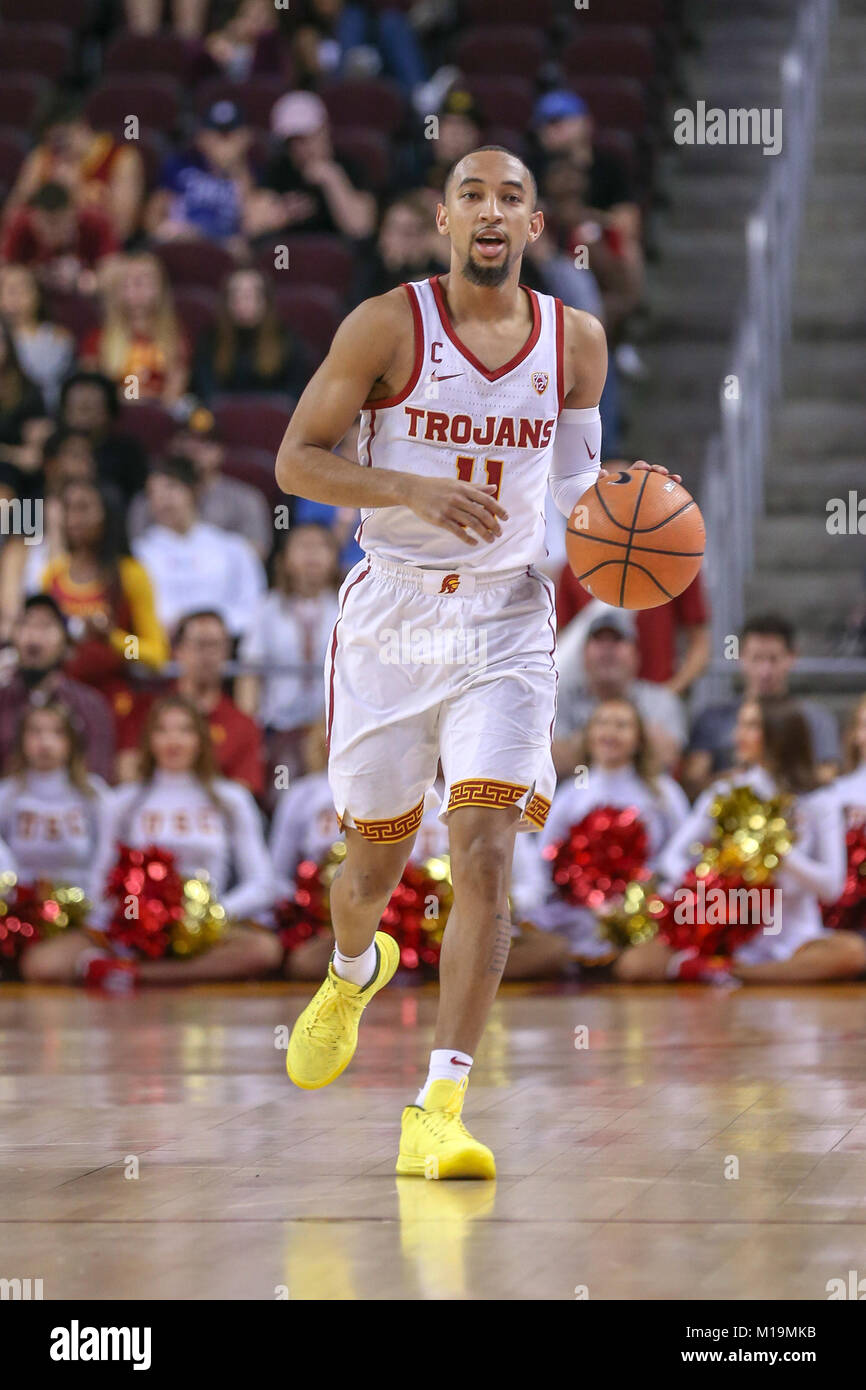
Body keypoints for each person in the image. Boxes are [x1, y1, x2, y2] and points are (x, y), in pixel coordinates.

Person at [274, 143, 676, 1178]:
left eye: (510, 197)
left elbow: (576, 489)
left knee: (487, 852)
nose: (490, 211)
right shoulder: (384, 324)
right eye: (471, 195)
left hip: (505, 615)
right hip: (393, 616)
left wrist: (625, 513)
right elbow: (294, 461)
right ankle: (352, 969)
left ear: (534, 226)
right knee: (370, 868)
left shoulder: (575, 341)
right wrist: (407, 489)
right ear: (443, 219)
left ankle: (440, 1105)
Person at [30, 694, 282, 986]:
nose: (173, 740)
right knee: (42, 964)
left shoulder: (230, 798)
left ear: (200, 739)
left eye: (184, 730)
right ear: (149, 739)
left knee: (265, 950)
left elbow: (262, 883)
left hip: (205, 931)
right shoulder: (123, 801)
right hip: (135, 928)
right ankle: (133, 964)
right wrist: (125, 921)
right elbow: (102, 874)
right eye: (162, 730)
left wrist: (211, 915)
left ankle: (136, 974)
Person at [616, 697, 865, 985]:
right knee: (633, 963)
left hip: (793, 937)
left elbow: (831, 887)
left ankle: (730, 973)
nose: (738, 735)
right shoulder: (726, 793)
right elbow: (672, 858)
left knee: (853, 953)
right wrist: (706, 883)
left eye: (751, 726)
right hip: (725, 928)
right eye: (740, 725)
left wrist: (777, 853)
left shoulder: (819, 800)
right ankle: (740, 971)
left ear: (779, 732)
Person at [530, 697, 689, 964]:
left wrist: (647, 896)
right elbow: (544, 856)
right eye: (602, 723)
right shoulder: (572, 792)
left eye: (622, 725)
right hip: (580, 914)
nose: (610, 732)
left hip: (646, 911)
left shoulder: (662, 791)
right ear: (589, 734)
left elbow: (682, 851)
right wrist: (588, 899)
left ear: (638, 739)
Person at [40, 480, 168, 734]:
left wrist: (112, 639)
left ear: (108, 515)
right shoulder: (52, 576)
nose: (73, 519)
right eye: (68, 509)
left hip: (112, 704)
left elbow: (156, 655)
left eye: (83, 508)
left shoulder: (131, 575)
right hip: (59, 705)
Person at [0, 704, 109, 984]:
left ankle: (95, 963)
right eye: (35, 732)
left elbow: (106, 858)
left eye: (57, 733)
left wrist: (97, 916)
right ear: (22, 740)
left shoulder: (93, 794)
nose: (45, 742)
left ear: (72, 742)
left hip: (80, 918)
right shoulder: (7, 794)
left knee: (43, 967)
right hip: (18, 916)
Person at [684, 613, 841, 797]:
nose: (765, 671)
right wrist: (740, 782)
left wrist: (771, 781)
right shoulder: (713, 718)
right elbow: (693, 781)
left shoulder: (816, 718)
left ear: (792, 657)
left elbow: (828, 774)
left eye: (773, 659)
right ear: (740, 657)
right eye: (756, 658)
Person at [116, 610, 264, 799]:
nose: (208, 655)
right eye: (199, 644)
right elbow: (127, 773)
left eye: (215, 645)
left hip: (213, 814)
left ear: (227, 652)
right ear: (178, 651)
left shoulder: (242, 724)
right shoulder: (147, 710)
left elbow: (242, 793)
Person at [237, 525, 340, 788]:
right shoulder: (266, 608)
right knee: (282, 792)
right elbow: (250, 673)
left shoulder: (347, 607)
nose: (312, 554)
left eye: (321, 546)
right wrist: (250, 732)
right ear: (284, 559)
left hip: (335, 728)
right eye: (303, 546)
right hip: (279, 728)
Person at [132, 456, 266, 638]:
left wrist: (212, 628)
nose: (163, 499)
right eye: (153, 492)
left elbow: (253, 604)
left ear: (194, 490)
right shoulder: (139, 554)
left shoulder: (233, 548)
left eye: (171, 487)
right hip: (163, 645)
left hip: (223, 644)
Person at [553, 607, 688, 777]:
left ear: (636, 654)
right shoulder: (559, 698)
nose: (607, 648)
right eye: (599, 640)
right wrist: (631, 737)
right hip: (576, 791)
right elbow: (553, 758)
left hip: (643, 792)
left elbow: (666, 755)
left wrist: (589, 741)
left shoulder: (660, 699)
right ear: (583, 655)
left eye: (617, 640)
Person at [557, 550, 711, 693]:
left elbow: (700, 646)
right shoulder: (575, 565)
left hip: (654, 695)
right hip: (589, 705)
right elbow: (561, 645)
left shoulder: (677, 562)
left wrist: (667, 695)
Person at [126, 410, 272, 560]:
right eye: (187, 440)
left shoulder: (245, 499)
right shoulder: (148, 500)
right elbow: (136, 555)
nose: (195, 449)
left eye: (205, 442)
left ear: (221, 451)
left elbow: (257, 553)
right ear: (173, 446)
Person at [0, 594, 115, 781]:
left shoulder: (90, 706)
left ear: (66, 643)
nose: (34, 636)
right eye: (25, 624)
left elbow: (97, 778)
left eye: (45, 626)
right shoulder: (3, 699)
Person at [4, 106, 144, 245]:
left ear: (81, 127)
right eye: (51, 142)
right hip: (43, 248)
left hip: (99, 249)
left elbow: (123, 228)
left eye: (61, 139)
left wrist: (74, 191)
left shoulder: (121, 157)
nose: (58, 150)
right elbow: (11, 218)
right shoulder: (43, 157)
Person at [257, 91, 376, 242]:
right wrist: (281, 214)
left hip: (338, 251)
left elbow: (361, 228)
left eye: (307, 138)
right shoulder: (279, 170)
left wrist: (332, 179)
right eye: (293, 141)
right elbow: (253, 223)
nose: (301, 148)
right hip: (286, 253)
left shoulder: (352, 167)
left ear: (324, 129)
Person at [147, 101, 258, 251]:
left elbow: (250, 221)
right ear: (201, 136)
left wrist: (235, 166)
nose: (221, 142)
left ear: (245, 138)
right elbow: (153, 214)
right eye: (214, 133)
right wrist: (161, 231)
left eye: (228, 135)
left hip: (224, 243)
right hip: (181, 238)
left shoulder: (252, 170)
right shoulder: (180, 164)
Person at [80, 253, 189, 405]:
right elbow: (92, 388)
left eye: (142, 281)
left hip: (160, 413)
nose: (135, 289)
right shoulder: (98, 338)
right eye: (126, 283)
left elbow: (175, 389)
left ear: (160, 287)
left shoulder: (174, 337)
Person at [191, 266, 312, 402]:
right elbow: (205, 396)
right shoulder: (210, 342)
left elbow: (295, 398)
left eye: (250, 295)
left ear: (266, 300)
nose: (241, 301)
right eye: (235, 295)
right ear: (226, 301)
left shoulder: (287, 342)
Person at [1, 183, 117, 294]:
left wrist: (93, 279)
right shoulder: (22, 224)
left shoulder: (95, 222)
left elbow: (112, 267)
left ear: (73, 214)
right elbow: (4, 267)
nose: (50, 231)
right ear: (34, 216)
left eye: (57, 223)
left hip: (86, 294)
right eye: (43, 223)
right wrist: (27, 277)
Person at [58, 372, 148, 502]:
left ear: (109, 412)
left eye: (90, 408)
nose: (84, 417)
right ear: (65, 412)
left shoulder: (127, 452)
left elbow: (138, 498)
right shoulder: (52, 447)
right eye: (78, 408)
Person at [0, 264, 75, 411]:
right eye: (10, 289)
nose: (17, 295)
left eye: (23, 287)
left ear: (38, 294)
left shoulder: (57, 337)